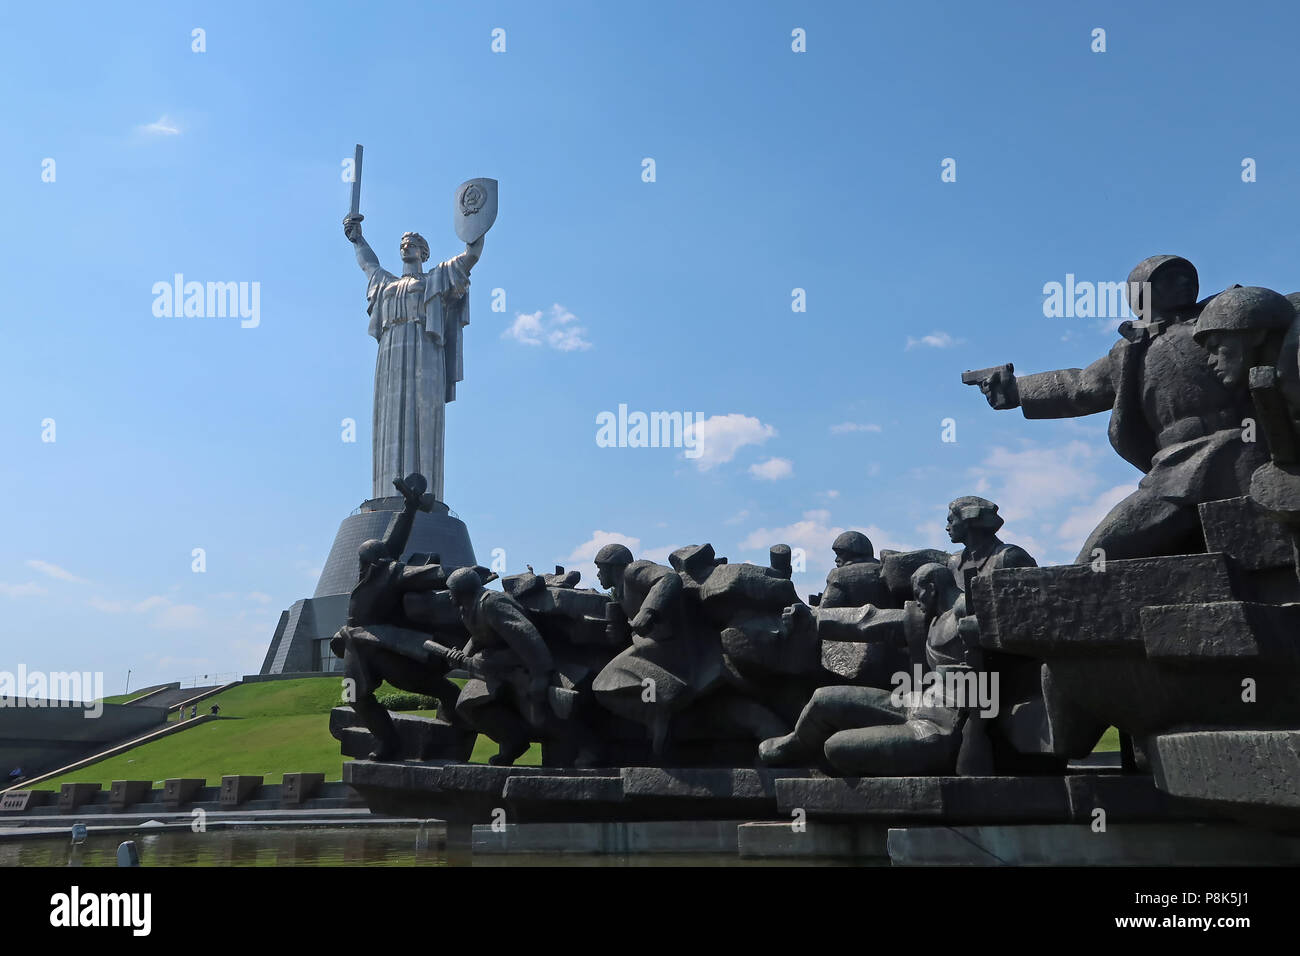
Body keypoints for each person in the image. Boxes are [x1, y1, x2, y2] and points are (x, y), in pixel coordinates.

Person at [969, 255, 1267, 561]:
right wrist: (1015, 390)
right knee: (1097, 557)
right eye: (1169, 279)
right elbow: (1080, 387)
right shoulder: (1131, 349)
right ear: (1143, 295)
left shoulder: (1224, 319)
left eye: (1187, 277)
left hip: (1242, 448)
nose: (1184, 283)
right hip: (1175, 468)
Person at [758, 564, 978, 774]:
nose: (915, 599)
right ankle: (798, 741)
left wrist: (975, 621)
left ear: (931, 589)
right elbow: (868, 620)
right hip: (914, 703)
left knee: (836, 747)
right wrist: (812, 617)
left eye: (917, 592)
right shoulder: (927, 619)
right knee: (822, 699)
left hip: (937, 727)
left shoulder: (965, 614)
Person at [343, 215, 483, 501]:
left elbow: (471, 256)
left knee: (423, 411)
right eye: (403, 244)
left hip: (424, 348)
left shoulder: (436, 278)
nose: (406, 247)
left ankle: (423, 490)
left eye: (413, 244)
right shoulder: (386, 284)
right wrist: (358, 238)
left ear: (424, 252)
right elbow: (368, 263)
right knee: (390, 414)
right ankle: (386, 492)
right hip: (390, 351)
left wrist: (477, 226)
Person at [813, 531, 894, 609]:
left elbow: (824, 612)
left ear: (853, 552)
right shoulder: (888, 570)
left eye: (840, 554)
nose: (836, 559)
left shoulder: (838, 575)